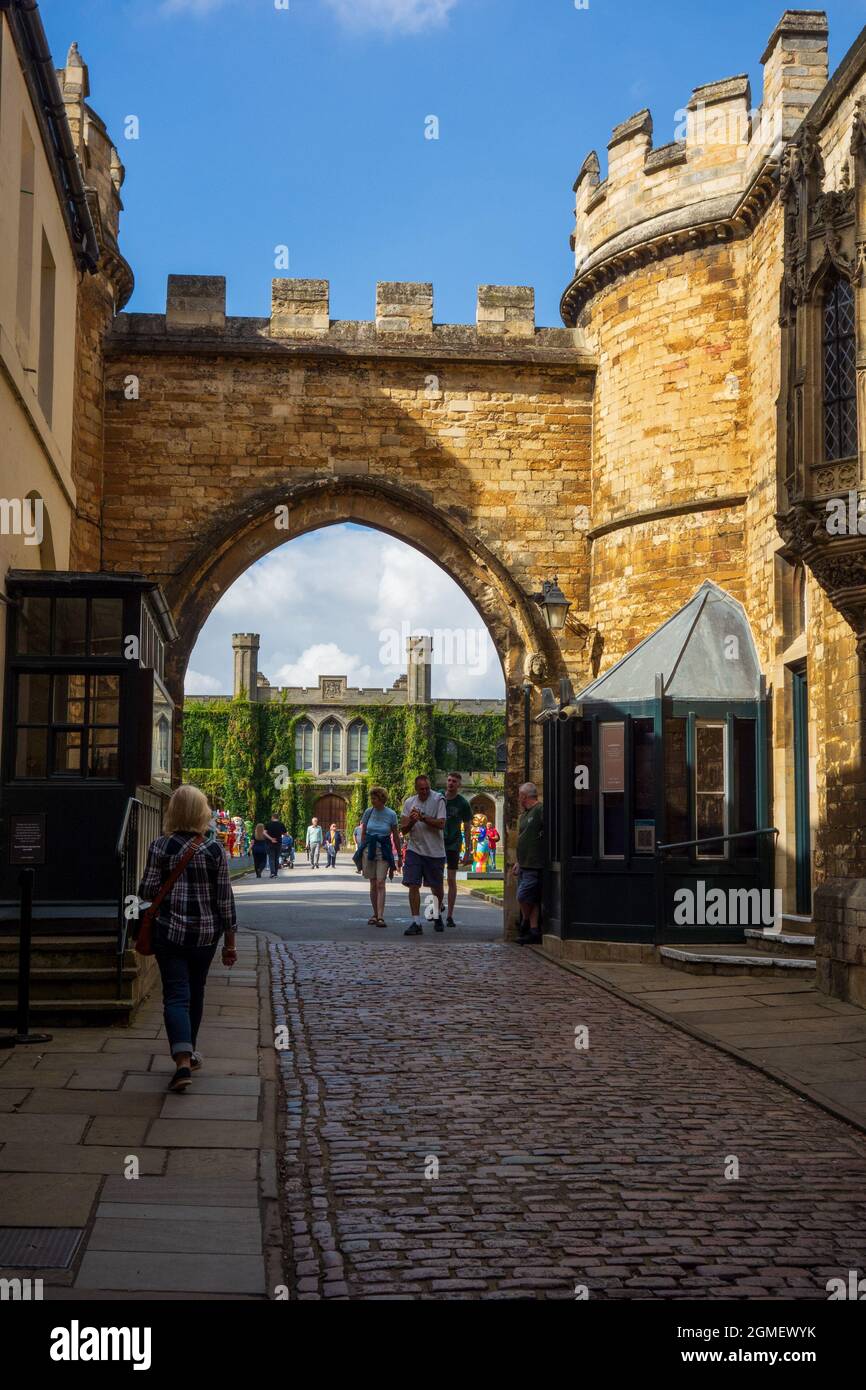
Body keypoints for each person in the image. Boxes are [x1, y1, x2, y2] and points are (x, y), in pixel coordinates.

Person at [138, 784, 237, 1093]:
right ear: (201, 813)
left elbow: (145, 893)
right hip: (205, 936)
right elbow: (225, 901)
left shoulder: (159, 847)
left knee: (176, 995)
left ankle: (182, 1058)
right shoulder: (214, 850)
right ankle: (188, 1053)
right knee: (196, 992)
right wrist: (230, 944)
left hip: (169, 933)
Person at [400, 773, 447, 936]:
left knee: (436, 887)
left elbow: (441, 823)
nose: (425, 792)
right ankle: (416, 921)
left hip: (435, 851)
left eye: (427, 788)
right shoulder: (409, 803)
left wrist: (423, 818)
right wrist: (413, 820)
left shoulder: (438, 799)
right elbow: (403, 829)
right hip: (415, 849)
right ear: (416, 789)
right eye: (421, 789)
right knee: (413, 884)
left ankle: (437, 913)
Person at [359, 787, 402, 927]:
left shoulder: (391, 814)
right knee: (372, 882)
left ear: (382, 799)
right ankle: (375, 914)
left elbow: (395, 835)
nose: (372, 800)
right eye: (371, 798)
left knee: (380, 882)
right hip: (369, 850)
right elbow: (363, 832)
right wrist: (362, 849)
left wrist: (399, 854)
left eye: (375, 798)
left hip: (383, 850)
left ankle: (381, 916)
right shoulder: (368, 812)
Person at [513, 781, 544, 946]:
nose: (518, 798)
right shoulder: (524, 815)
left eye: (519, 795)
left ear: (524, 796)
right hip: (524, 863)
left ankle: (525, 922)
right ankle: (533, 930)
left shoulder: (540, 810)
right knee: (531, 899)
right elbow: (521, 838)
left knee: (523, 896)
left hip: (534, 864)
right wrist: (518, 861)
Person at [443, 772, 473, 929]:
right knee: (434, 879)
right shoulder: (439, 797)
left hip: (454, 844)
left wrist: (468, 851)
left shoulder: (463, 803)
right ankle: (437, 909)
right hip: (437, 842)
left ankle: (449, 915)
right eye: (449, 780)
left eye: (454, 781)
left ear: (459, 785)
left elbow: (467, 828)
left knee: (451, 879)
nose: (451, 783)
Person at [263, 809, 287, 879]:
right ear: (278, 818)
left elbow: (264, 833)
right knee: (276, 858)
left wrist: (271, 838)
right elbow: (285, 833)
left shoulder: (268, 824)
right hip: (278, 843)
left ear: (272, 817)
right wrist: (280, 833)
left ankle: (272, 873)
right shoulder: (281, 824)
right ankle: (276, 873)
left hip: (270, 843)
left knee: (271, 858)